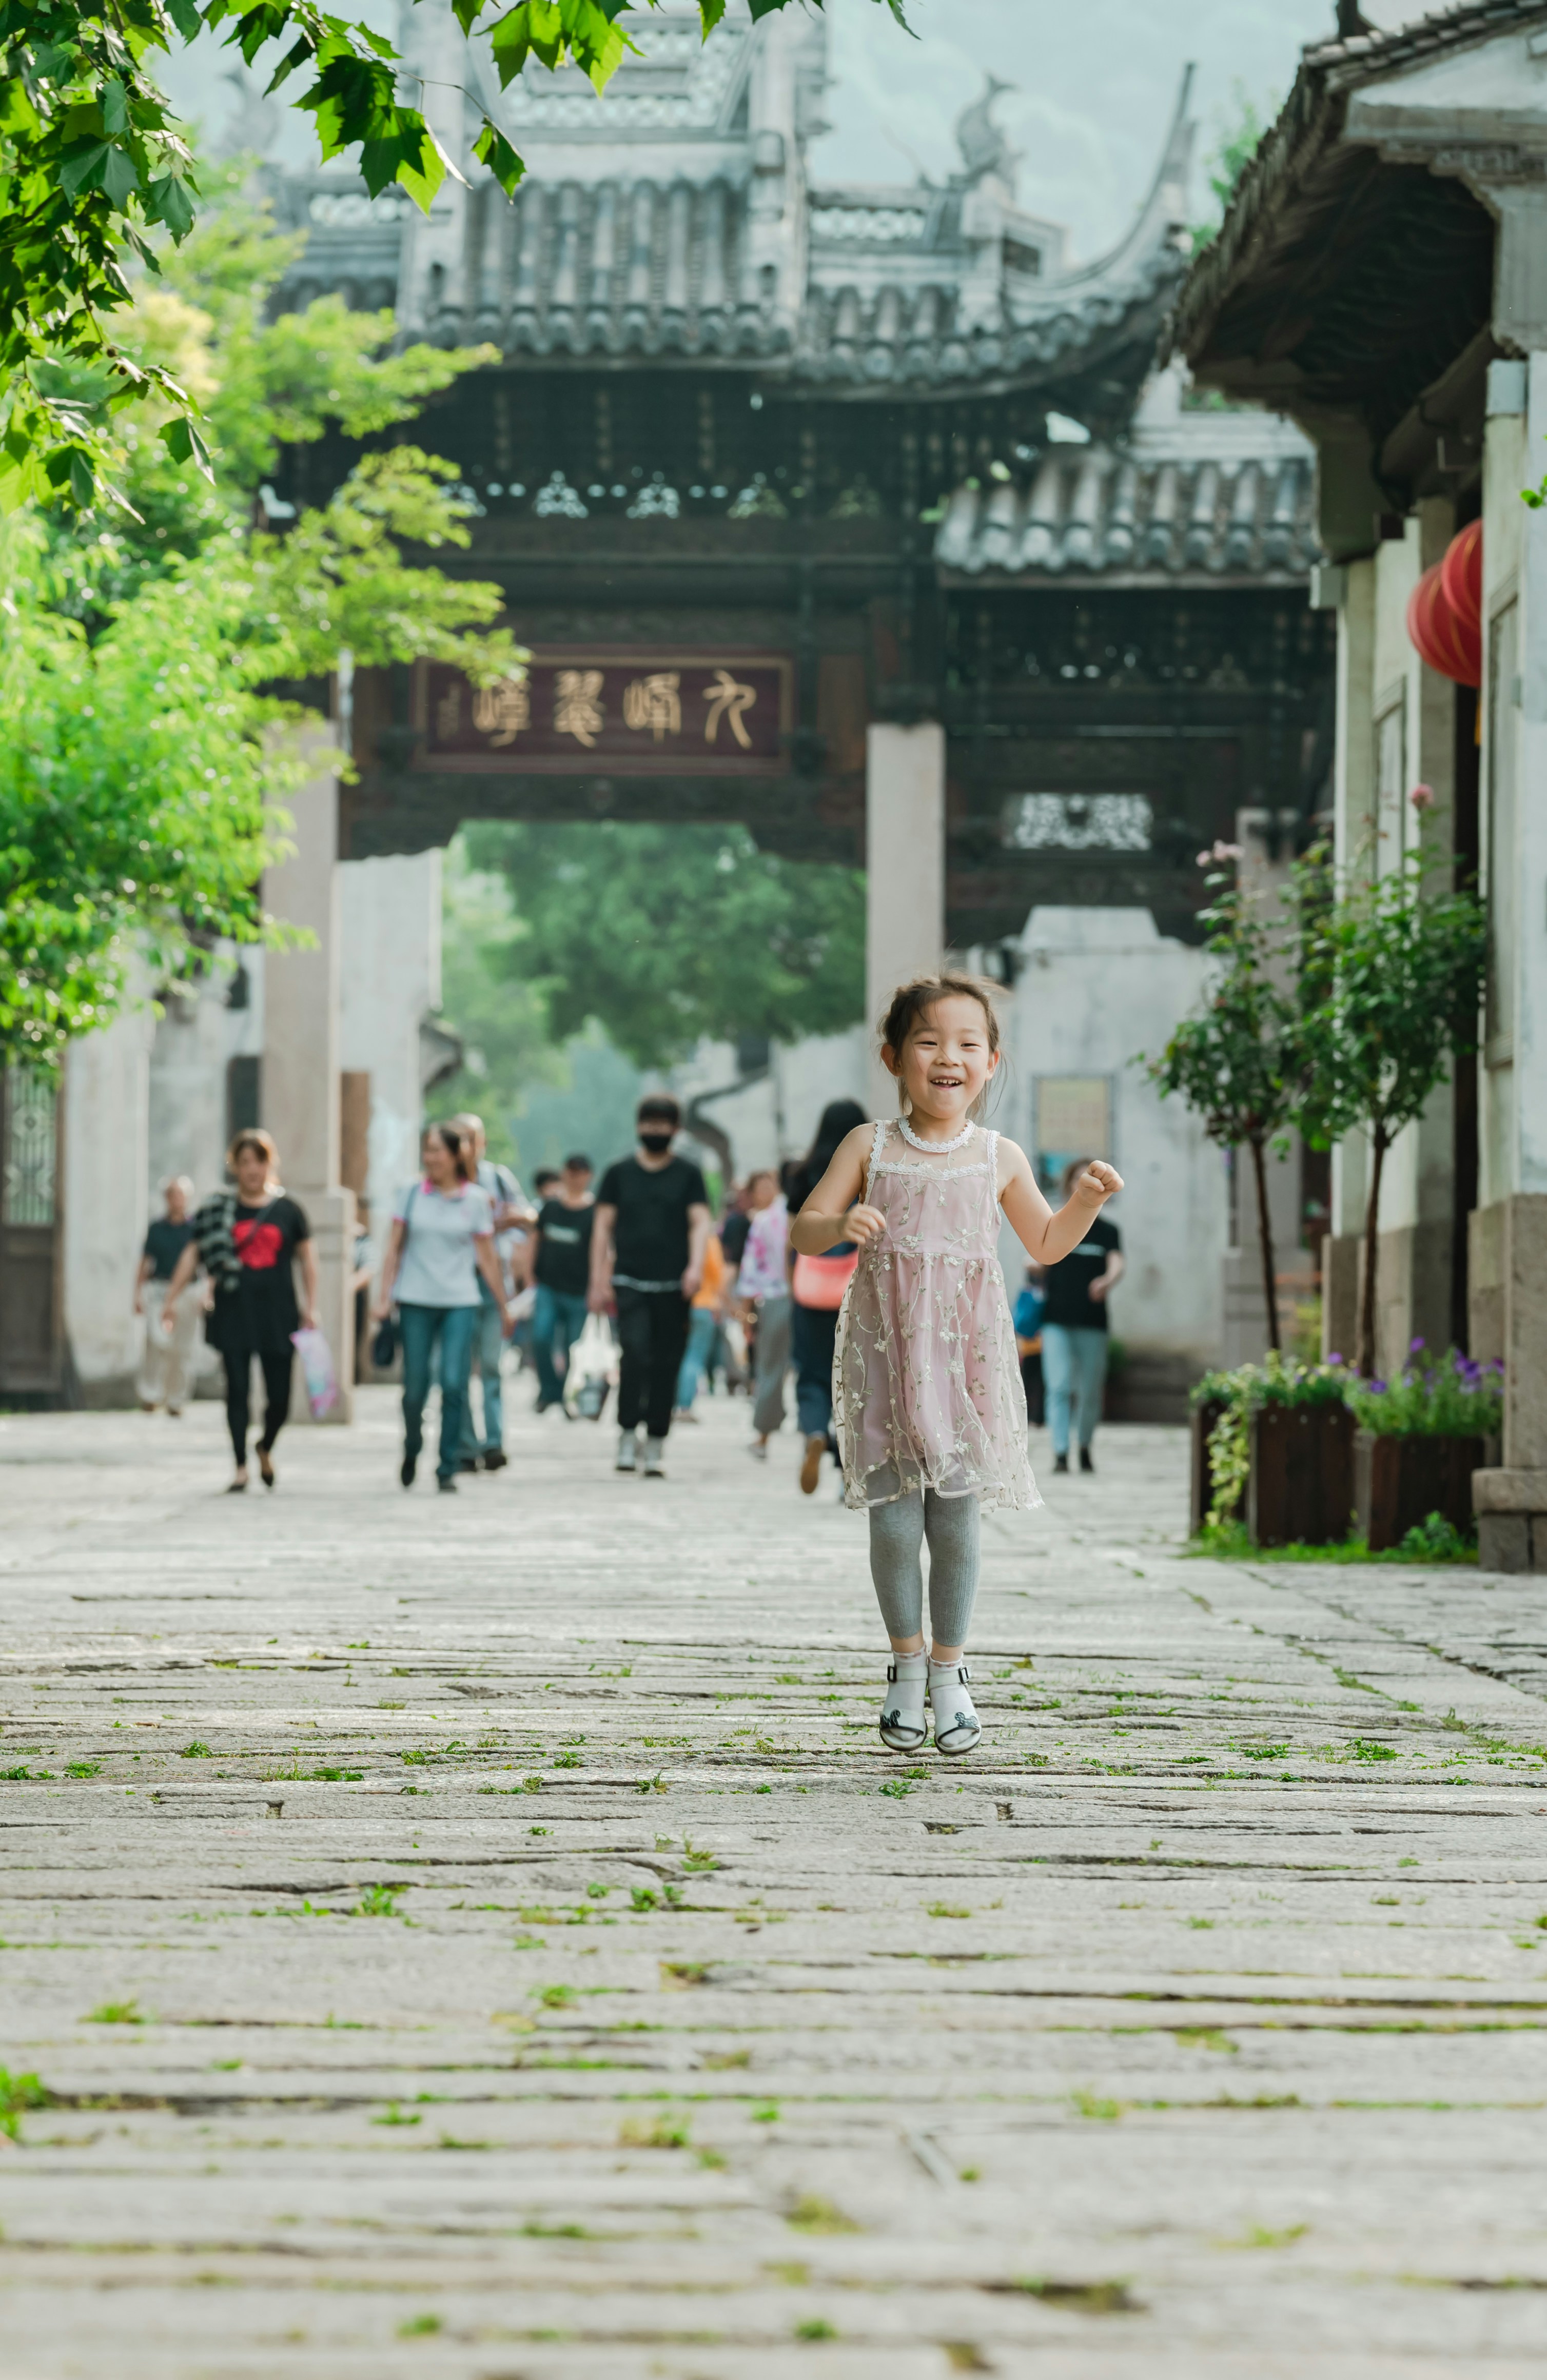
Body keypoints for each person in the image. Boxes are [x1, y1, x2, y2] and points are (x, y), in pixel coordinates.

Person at [789, 974, 1122, 1758]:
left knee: (957, 1521)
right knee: (895, 1522)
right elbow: (804, 1230)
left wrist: (1083, 1202)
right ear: (894, 1057)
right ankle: (905, 1665)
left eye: (967, 1043)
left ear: (991, 1060)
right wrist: (839, 1220)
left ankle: (950, 1671)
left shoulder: (995, 1156)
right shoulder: (867, 1146)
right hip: (887, 1360)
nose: (949, 1056)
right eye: (929, 1041)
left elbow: (1043, 1242)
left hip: (965, 1367)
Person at [162, 1130, 317, 1493]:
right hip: (234, 1311)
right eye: (244, 1162)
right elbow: (193, 1254)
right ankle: (240, 1465)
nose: (252, 1170)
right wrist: (171, 1298)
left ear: (269, 1163)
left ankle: (265, 1445)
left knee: (279, 1397)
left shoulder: (288, 1210)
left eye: (258, 1161)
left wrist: (312, 1306)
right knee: (238, 1389)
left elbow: (308, 1260)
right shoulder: (217, 1210)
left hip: (279, 1313)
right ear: (235, 1167)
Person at [374, 1122, 514, 1493]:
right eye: (428, 1150)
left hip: (460, 1301)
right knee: (415, 1386)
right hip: (416, 1300)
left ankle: (447, 1465)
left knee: (454, 1383)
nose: (431, 1157)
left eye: (438, 1150)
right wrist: (383, 1296)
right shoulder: (410, 1195)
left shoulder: (475, 1200)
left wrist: (503, 1306)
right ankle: (412, 1446)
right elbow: (394, 1249)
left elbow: (487, 1259)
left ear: (456, 1156)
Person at [590, 1095, 711, 1479]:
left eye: (664, 1125)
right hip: (628, 1280)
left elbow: (700, 1223)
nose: (655, 1131)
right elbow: (602, 1228)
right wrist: (597, 1278)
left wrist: (695, 1267)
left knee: (666, 1363)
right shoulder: (618, 1173)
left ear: (675, 1130)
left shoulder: (688, 1174)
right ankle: (627, 1433)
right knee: (635, 1354)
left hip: (675, 1285)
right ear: (639, 1126)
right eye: (649, 1124)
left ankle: (656, 1440)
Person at [785, 1098, 866, 1495]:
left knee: (811, 1373)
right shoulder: (870, 1171)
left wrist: (793, 1286)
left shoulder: (802, 1174)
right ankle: (845, 1470)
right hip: (854, 1290)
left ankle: (815, 1430)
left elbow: (794, 1237)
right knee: (853, 1379)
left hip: (810, 1290)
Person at [1032, 1155, 1125, 1474]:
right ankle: (1060, 1452)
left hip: (1092, 1321)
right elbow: (1037, 1258)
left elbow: (1116, 1262)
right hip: (1056, 1320)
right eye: (1077, 1179)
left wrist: (1107, 1280)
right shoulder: (1055, 1222)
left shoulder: (1108, 1231)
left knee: (1089, 1389)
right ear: (1070, 1185)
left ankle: (1084, 1446)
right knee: (1058, 1386)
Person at [450, 1112, 532, 1473]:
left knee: (491, 1365)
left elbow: (528, 1216)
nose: (465, 1145)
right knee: (457, 1370)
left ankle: (494, 1441)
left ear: (482, 1143)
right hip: (453, 1284)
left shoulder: (497, 1178)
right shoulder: (441, 1183)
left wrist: (510, 1222)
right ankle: (466, 1445)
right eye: (458, 1138)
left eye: (471, 1138)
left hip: (491, 1281)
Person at [531, 1153, 596, 1413]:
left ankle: (568, 1395)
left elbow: (601, 1249)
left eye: (580, 1172)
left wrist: (599, 1285)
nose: (575, 1177)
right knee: (541, 1338)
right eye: (570, 1172)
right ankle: (550, 1391)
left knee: (573, 1347)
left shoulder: (594, 1211)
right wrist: (529, 1273)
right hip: (548, 1286)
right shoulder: (551, 1207)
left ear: (588, 1176)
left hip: (579, 1291)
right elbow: (536, 1239)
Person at [736, 1169, 790, 1460]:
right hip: (812, 1298)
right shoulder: (801, 1213)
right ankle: (816, 1432)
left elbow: (749, 1272)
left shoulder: (762, 1222)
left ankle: (763, 1436)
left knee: (770, 1370)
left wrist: (746, 1315)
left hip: (774, 1301)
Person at [135, 1175, 199, 1415]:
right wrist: (137, 1294)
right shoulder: (157, 1228)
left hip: (187, 1291)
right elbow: (144, 1261)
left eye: (181, 1194)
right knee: (156, 1342)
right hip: (158, 1289)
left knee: (183, 1348)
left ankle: (177, 1400)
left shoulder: (195, 1229)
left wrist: (207, 1293)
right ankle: (151, 1395)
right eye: (172, 1194)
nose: (177, 1199)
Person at [674, 1221, 729, 1418]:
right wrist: (721, 1304)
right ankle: (685, 1406)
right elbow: (718, 1273)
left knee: (677, 1354)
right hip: (705, 1305)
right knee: (694, 1357)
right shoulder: (709, 1239)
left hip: (680, 1303)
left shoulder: (677, 1234)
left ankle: (672, 1403)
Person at [1013, 1265, 1047, 1428]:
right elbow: (1018, 1319)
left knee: (1039, 1384)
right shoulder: (1028, 1293)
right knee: (1027, 1383)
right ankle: (1026, 1416)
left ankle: (1038, 1417)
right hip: (1029, 1346)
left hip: (1042, 1345)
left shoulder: (1041, 1293)